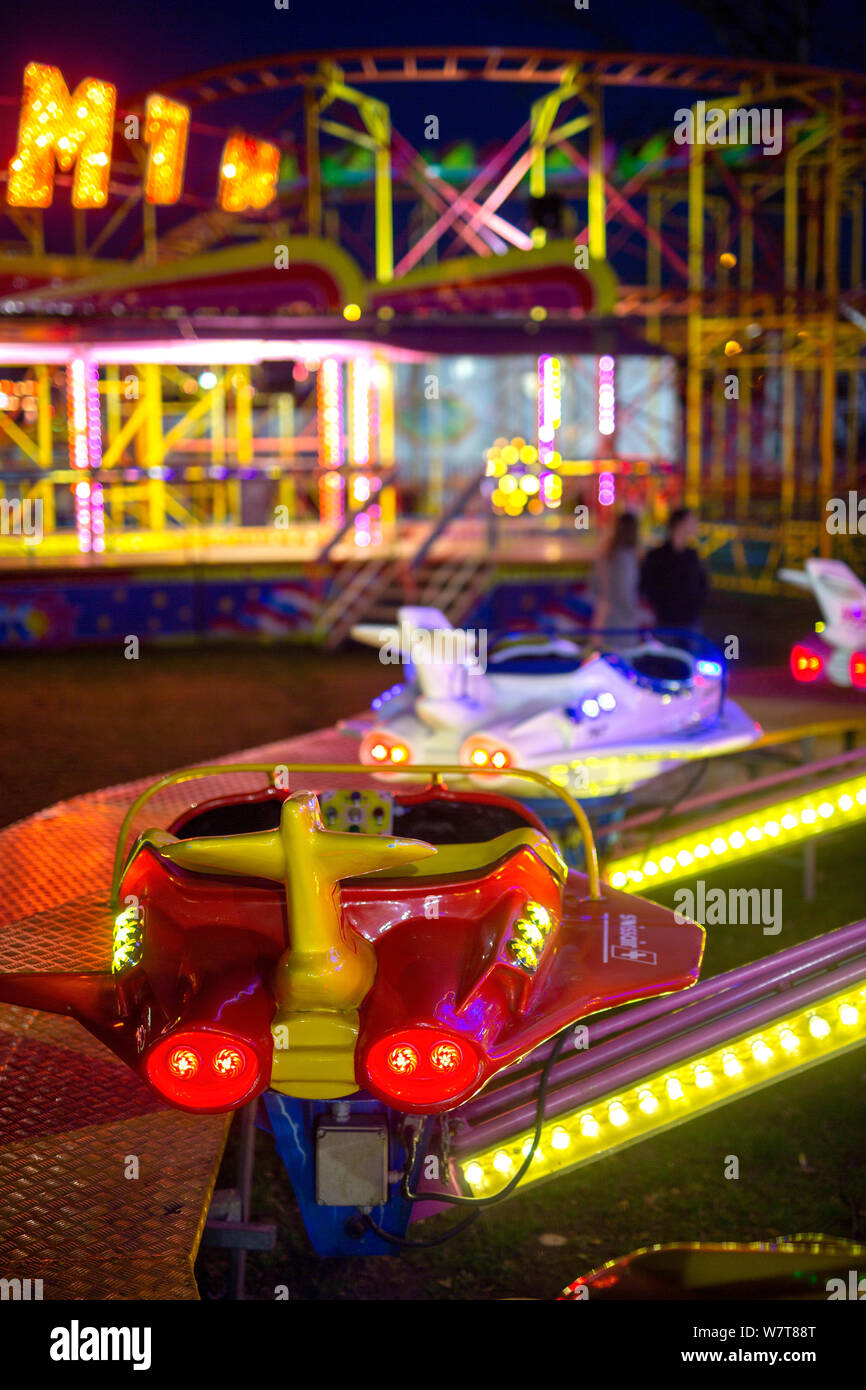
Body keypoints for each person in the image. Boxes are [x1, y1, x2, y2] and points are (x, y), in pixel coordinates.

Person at [638, 506, 708, 632]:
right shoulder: (657, 556)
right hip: (664, 621)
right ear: (679, 524)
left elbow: (703, 585)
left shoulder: (692, 556)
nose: (695, 526)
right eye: (691, 522)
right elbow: (646, 585)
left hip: (689, 621)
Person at [591, 511, 645, 643]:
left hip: (603, 617)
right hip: (622, 623)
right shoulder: (626, 557)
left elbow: (594, 585)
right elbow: (624, 592)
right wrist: (638, 615)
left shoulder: (606, 553)